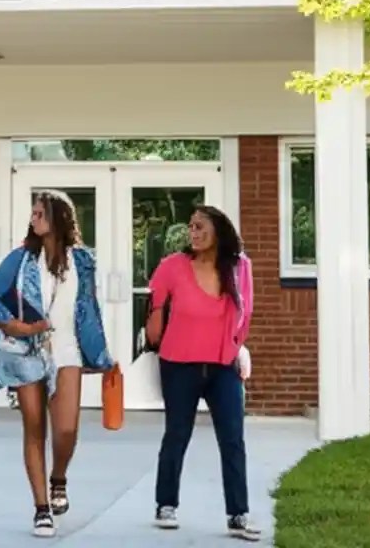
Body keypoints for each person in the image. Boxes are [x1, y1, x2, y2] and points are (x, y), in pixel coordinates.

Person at [0, 189, 114, 538]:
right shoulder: (21, 258)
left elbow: (90, 310)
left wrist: (102, 356)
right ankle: (41, 509)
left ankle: (59, 479)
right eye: (33, 213)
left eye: (39, 213)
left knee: (67, 430)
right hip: (27, 350)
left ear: (57, 218)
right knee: (34, 427)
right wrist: (14, 325)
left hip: (66, 349)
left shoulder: (82, 260)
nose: (32, 219)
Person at [146, 205, 258, 542]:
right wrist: (154, 329)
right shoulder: (172, 267)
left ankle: (238, 514)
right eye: (190, 227)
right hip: (179, 364)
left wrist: (238, 346)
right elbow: (154, 310)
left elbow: (246, 312)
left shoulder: (240, 268)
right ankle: (166, 504)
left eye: (200, 227)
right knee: (177, 434)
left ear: (219, 231)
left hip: (223, 365)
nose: (193, 233)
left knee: (233, 439)